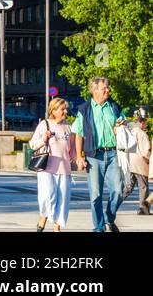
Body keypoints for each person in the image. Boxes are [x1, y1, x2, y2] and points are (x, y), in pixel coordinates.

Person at [72, 77, 127, 232]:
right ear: (94, 90)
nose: (108, 90)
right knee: (95, 195)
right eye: (104, 88)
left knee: (118, 189)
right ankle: (99, 227)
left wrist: (121, 126)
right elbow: (78, 134)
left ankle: (109, 218)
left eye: (108, 87)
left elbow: (124, 124)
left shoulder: (114, 107)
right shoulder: (84, 109)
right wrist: (79, 156)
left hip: (113, 154)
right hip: (93, 156)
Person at [30, 96, 77, 231]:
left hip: (64, 169)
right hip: (46, 168)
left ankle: (57, 228)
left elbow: (72, 150)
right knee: (48, 197)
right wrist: (43, 139)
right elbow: (33, 144)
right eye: (62, 109)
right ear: (54, 110)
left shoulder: (68, 127)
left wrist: (78, 159)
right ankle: (42, 219)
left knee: (63, 202)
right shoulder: (44, 124)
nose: (65, 112)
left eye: (66, 109)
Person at [128, 105, 150, 217]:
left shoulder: (131, 131)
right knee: (143, 187)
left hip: (131, 162)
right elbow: (146, 151)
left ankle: (117, 199)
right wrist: (150, 160)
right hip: (140, 164)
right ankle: (143, 208)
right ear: (142, 122)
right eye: (145, 122)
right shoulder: (142, 134)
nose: (146, 124)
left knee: (129, 186)